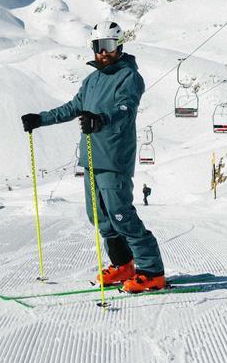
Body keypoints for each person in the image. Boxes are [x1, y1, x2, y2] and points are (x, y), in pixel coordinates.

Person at [21, 21, 166, 293]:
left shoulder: (129, 77)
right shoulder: (92, 80)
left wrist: (101, 119)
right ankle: (123, 265)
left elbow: (125, 108)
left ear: (119, 46)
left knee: (121, 214)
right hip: (91, 159)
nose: (103, 53)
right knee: (98, 217)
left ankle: (152, 271)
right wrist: (39, 119)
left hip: (114, 158)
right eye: (99, 47)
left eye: (109, 46)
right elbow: (73, 108)